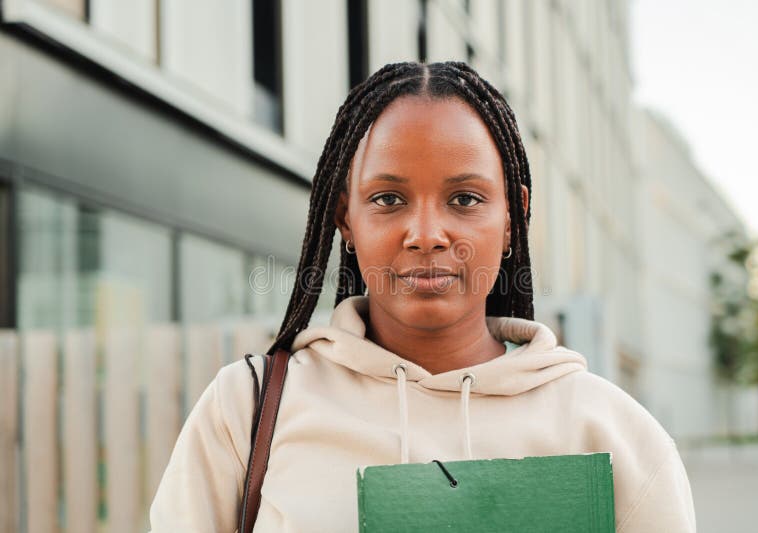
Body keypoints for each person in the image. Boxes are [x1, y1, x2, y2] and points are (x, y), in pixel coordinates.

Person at [148, 61, 696, 532]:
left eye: (465, 198)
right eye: (388, 198)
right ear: (345, 217)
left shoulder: (613, 434)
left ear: (513, 216)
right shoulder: (246, 409)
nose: (427, 234)